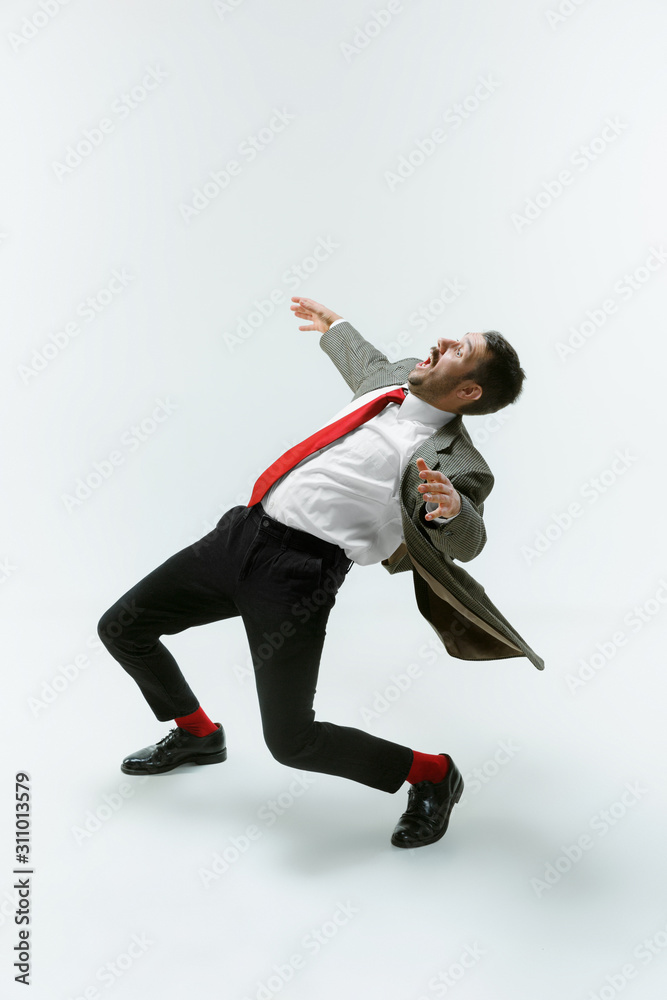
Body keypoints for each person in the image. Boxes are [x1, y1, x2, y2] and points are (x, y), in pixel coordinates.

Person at [97, 296, 544, 850]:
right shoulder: (398, 377)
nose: (444, 342)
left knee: (292, 740)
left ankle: (431, 773)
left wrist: (452, 509)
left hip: (298, 577)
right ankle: (197, 735)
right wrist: (335, 326)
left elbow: (470, 540)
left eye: (462, 349)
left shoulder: (456, 459)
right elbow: (363, 359)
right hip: (239, 535)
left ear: (470, 391)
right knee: (121, 627)